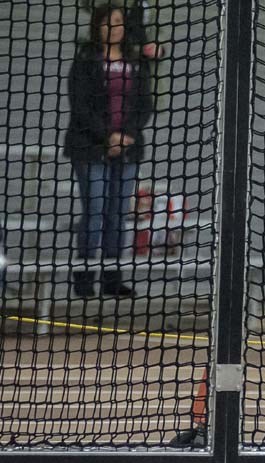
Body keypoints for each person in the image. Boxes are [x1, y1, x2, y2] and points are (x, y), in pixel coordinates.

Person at [65, 4, 153, 297]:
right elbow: (80, 106)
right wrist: (107, 137)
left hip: (127, 150)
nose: (114, 27)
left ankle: (112, 279)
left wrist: (126, 136)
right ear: (97, 27)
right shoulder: (85, 61)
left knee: (117, 214)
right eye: (108, 22)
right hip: (90, 148)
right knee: (95, 212)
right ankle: (84, 280)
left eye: (119, 22)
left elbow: (144, 105)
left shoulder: (135, 62)